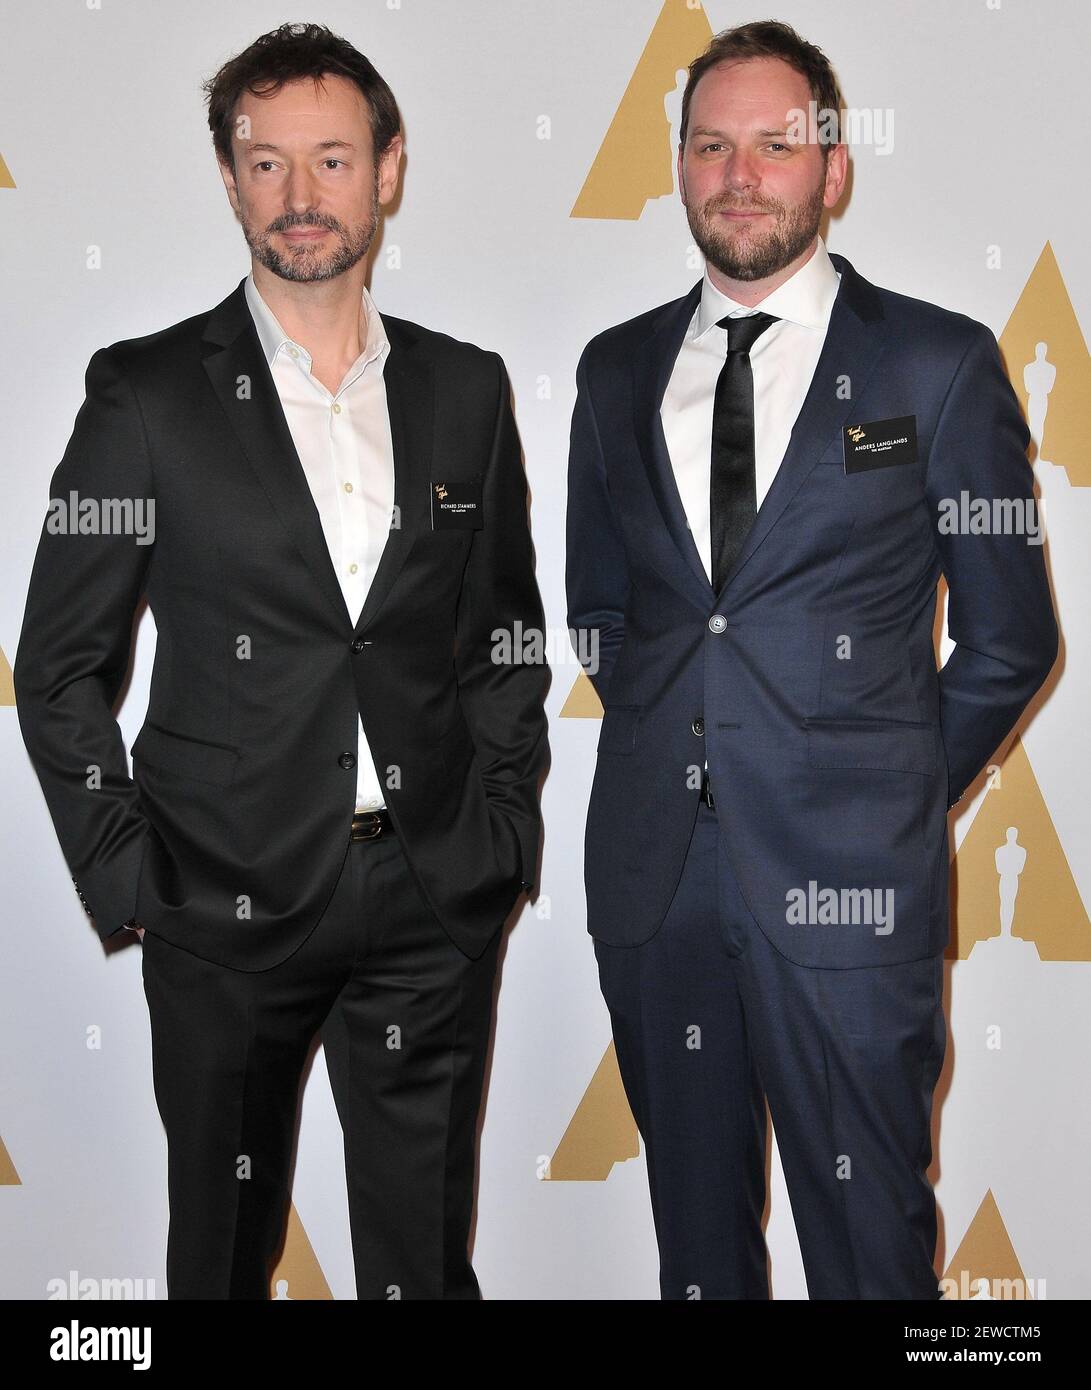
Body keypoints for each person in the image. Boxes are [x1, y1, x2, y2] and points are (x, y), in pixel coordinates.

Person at [15, 21, 548, 1300]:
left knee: (422, 1264)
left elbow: (503, 638)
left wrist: (499, 833)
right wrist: (129, 874)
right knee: (217, 1263)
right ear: (227, 176)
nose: (300, 198)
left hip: (428, 900)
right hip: (222, 901)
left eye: (330, 160)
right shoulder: (143, 395)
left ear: (389, 170)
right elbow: (58, 665)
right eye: (267, 165)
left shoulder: (464, 391)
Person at [565, 20, 1057, 1299]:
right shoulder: (613, 371)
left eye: (775, 145)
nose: (740, 173)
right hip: (654, 881)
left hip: (852, 888)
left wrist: (879, 792)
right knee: (695, 1247)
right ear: (676, 167)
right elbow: (601, 610)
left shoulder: (933, 364)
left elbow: (1011, 638)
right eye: (710, 145)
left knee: (869, 1245)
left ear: (832, 170)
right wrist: (698, 747)